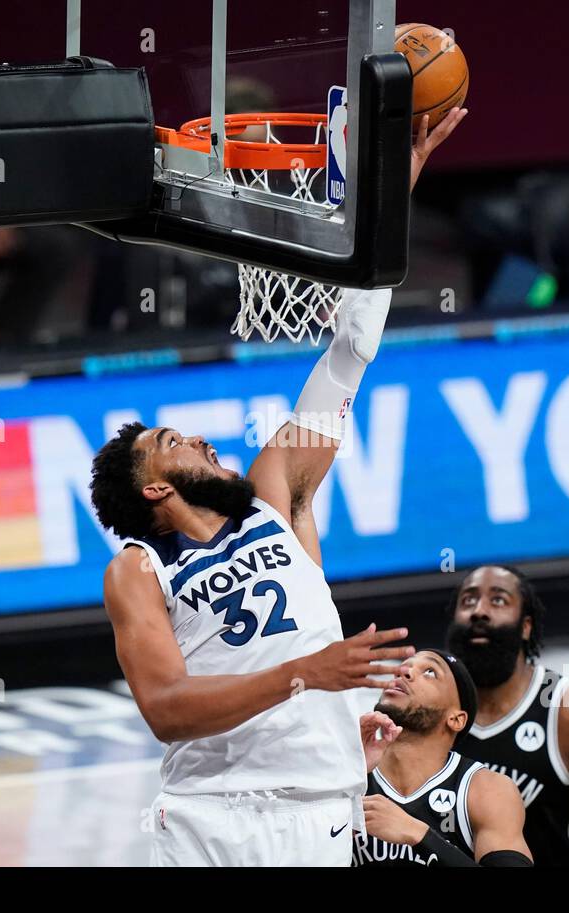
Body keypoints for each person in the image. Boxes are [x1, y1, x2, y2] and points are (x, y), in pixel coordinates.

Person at [90, 109, 467, 867]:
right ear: (157, 492)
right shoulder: (138, 569)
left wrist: (387, 192)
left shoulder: (274, 495)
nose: (196, 436)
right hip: (211, 820)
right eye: (172, 444)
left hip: (322, 809)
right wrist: (308, 676)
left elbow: (351, 351)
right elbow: (165, 711)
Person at [446, 566, 569, 867]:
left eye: (498, 601)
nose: (479, 611)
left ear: (526, 626)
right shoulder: (430, 709)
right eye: (468, 601)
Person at [354, 650, 533, 867]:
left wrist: (419, 835)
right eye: (404, 665)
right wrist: (349, 776)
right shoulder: (351, 773)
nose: (405, 671)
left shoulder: (485, 790)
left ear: (456, 719)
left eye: (430, 672)